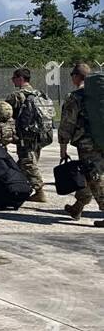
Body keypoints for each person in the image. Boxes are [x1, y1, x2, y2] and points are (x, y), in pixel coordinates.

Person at [59, 62, 104, 225]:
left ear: (76, 77)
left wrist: (63, 147)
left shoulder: (75, 97)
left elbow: (66, 124)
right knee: (86, 175)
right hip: (101, 138)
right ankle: (77, 207)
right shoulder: (99, 96)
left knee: (94, 176)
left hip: (88, 143)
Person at [6, 67, 51, 203]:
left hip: (26, 136)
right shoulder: (39, 94)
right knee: (26, 162)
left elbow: (4, 113)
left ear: (20, 79)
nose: (12, 80)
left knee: (28, 162)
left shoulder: (17, 95)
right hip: (40, 133)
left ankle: (39, 190)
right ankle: (18, 186)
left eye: (14, 78)